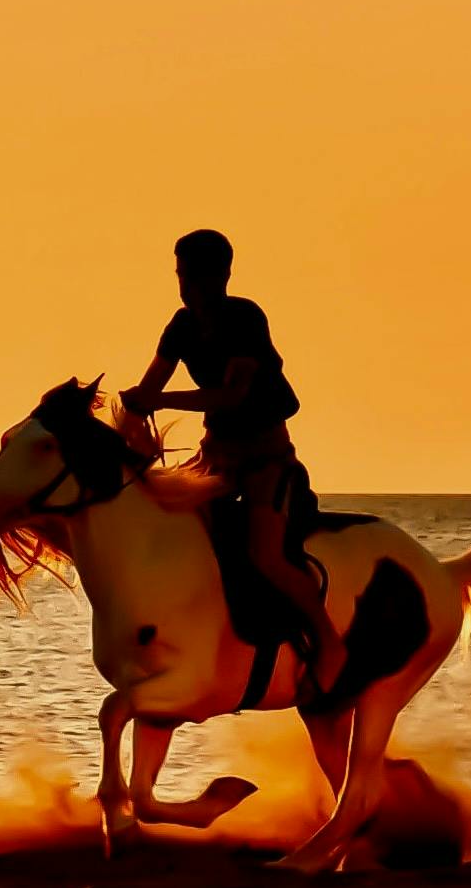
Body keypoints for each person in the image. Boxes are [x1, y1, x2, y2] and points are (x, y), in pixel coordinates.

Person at [126, 227, 341, 696]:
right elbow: (149, 388)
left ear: (221, 276)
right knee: (172, 532)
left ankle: (328, 642)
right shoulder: (180, 326)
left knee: (265, 554)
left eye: (196, 277)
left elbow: (230, 395)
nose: (187, 287)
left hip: (265, 456)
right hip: (216, 456)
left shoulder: (245, 318)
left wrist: (158, 400)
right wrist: (130, 421)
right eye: (182, 276)